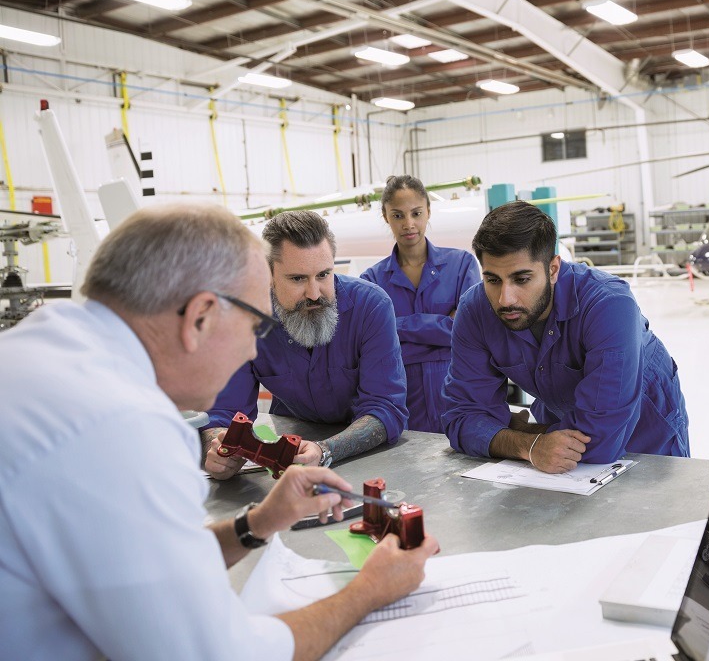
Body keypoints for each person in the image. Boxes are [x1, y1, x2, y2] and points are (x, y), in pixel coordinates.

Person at [0, 203, 438, 660]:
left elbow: (157, 561)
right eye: (254, 326)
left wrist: (256, 524)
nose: (253, 350)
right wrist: (369, 590)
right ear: (201, 317)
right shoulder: (127, 428)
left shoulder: (45, 346)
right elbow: (219, 653)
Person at [441, 200, 690, 472]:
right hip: (559, 428)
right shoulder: (475, 310)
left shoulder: (609, 305)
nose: (505, 299)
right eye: (492, 280)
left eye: (521, 279)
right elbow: (461, 418)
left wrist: (518, 435)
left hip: (649, 428)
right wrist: (530, 445)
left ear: (553, 269)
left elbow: (601, 439)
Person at [201, 210, 407, 479]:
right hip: (289, 448)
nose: (314, 293)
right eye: (297, 278)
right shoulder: (245, 318)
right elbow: (224, 412)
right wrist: (220, 447)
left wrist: (325, 450)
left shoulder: (371, 306)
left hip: (369, 458)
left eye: (323, 275)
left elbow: (385, 407)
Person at [360, 175, 481, 432]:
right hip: (401, 398)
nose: (409, 224)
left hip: (457, 390)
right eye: (398, 215)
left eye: (416, 213)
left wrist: (397, 326)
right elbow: (371, 344)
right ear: (386, 217)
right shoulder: (371, 280)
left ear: (428, 211)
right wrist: (441, 328)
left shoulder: (462, 265)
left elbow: (465, 331)